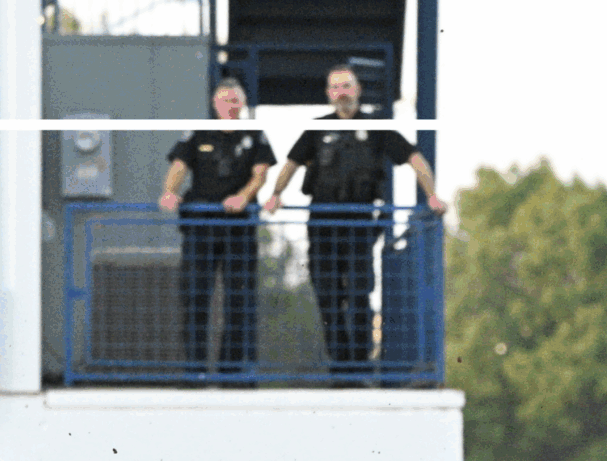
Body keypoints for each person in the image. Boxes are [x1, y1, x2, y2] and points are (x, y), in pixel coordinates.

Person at [261, 64, 447, 384]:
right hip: (322, 226)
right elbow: (291, 164)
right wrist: (275, 194)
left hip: (359, 227)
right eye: (335, 87)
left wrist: (431, 195)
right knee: (328, 297)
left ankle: (360, 368)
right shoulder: (317, 129)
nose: (342, 93)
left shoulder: (376, 127)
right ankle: (341, 369)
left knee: (359, 296)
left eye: (347, 86)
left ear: (358, 90)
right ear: (328, 94)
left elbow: (414, 158)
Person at [160, 78, 275, 383]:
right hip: (201, 227)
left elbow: (260, 174)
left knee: (239, 300)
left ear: (243, 103)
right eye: (225, 100)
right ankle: (195, 369)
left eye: (235, 100)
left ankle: (231, 371)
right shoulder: (199, 132)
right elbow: (179, 165)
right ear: (215, 104)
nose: (230, 106)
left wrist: (243, 197)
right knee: (195, 297)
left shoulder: (254, 134)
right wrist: (170, 191)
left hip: (239, 228)